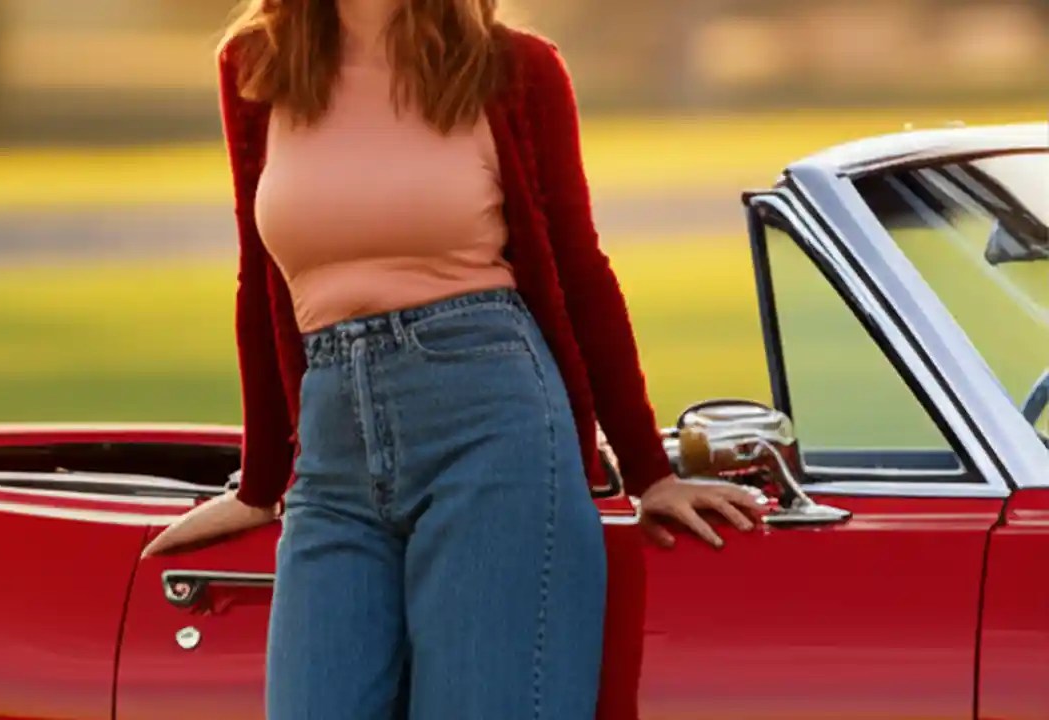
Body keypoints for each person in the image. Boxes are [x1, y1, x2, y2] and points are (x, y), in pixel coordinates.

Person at [142, 1, 762, 718]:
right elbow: (261, 283)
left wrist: (649, 474)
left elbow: (578, 270)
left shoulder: (515, 70)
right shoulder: (257, 66)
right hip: (333, 457)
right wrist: (260, 486)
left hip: (493, 436)